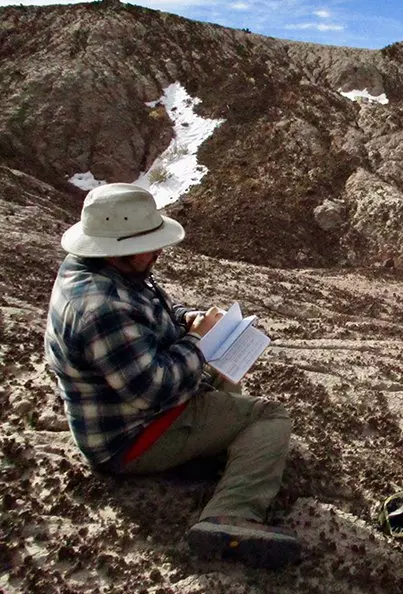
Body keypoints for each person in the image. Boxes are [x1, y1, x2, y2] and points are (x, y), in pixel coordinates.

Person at [44, 183, 300, 568]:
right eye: (150, 243)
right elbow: (155, 388)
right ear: (119, 248)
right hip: (131, 436)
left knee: (225, 374)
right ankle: (230, 518)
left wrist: (187, 319)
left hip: (138, 409)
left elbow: (157, 307)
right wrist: (197, 340)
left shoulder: (113, 270)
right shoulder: (99, 308)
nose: (159, 251)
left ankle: (220, 447)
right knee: (269, 416)